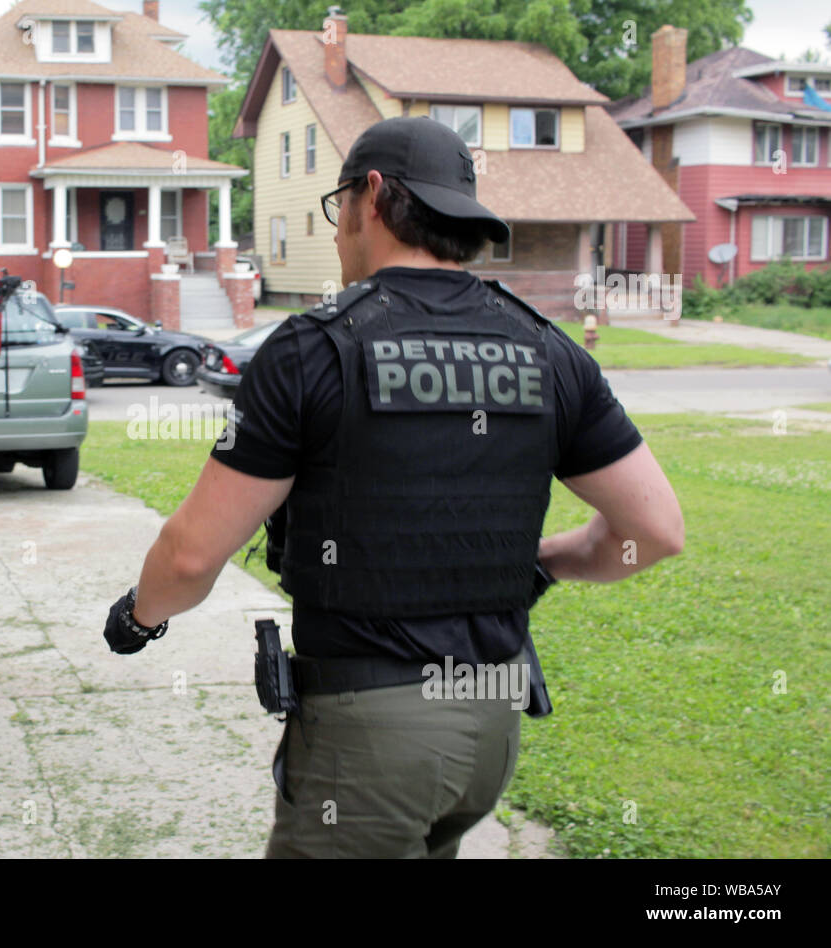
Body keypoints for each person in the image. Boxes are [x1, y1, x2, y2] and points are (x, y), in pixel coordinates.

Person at [103, 117, 684, 858]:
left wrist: (139, 617)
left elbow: (191, 555)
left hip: (373, 733)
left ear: (370, 197)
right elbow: (656, 530)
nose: (338, 228)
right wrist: (541, 563)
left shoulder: (314, 348)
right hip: (492, 721)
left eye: (337, 203)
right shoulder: (545, 347)